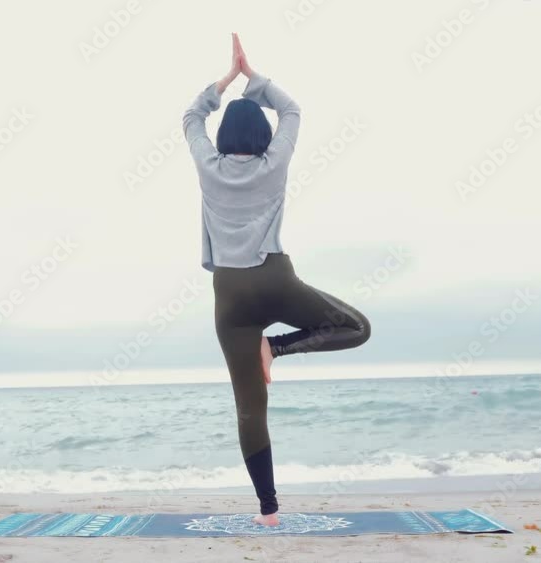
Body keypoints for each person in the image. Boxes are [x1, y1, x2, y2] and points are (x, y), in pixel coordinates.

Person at [182, 33, 371, 527]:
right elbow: (292, 111)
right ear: (263, 139)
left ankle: (268, 511)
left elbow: (190, 118)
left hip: (230, 297)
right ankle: (280, 349)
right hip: (275, 279)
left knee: (250, 408)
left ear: (223, 141)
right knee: (357, 327)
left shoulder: (208, 165)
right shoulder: (274, 163)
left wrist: (223, 82)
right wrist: (252, 78)